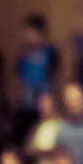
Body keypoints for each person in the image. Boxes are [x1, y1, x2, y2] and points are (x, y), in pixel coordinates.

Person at [13, 14, 61, 142]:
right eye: (26, 32)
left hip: (43, 107)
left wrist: (52, 104)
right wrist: (16, 100)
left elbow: (54, 78)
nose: (27, 35)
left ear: (40, 33)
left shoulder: (51, 52)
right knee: (20, 139)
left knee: (40, 141)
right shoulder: (21, 53)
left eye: (30, 31)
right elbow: (17, 78)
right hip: (24, 105)